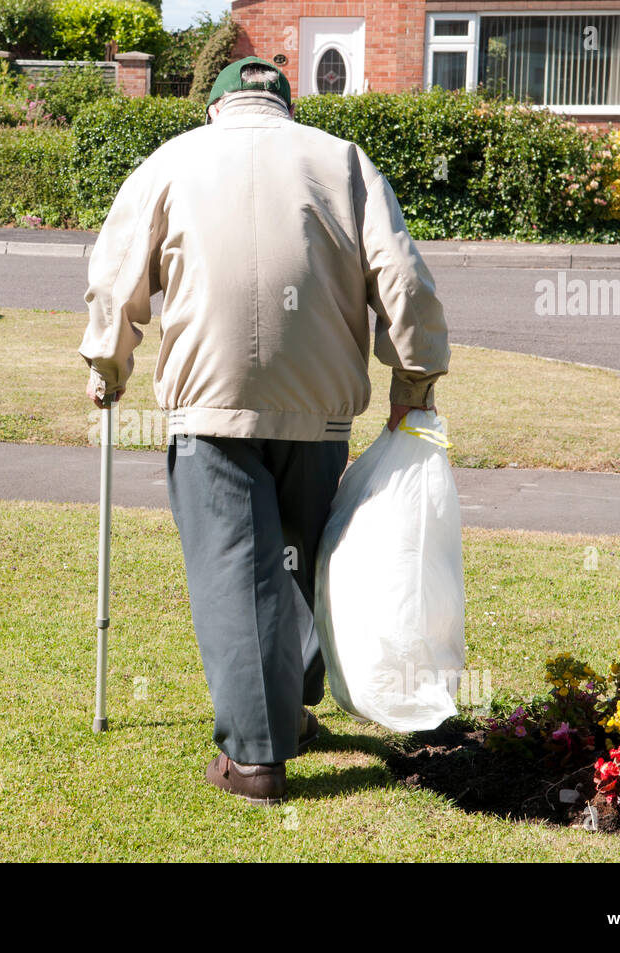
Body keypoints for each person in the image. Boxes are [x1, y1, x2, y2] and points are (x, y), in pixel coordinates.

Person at [78, 57, 450, 805]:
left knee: (234, 569)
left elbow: (117, 279)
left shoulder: (171, 162)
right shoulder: (343, 161)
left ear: (215, 107)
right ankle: (289, 710)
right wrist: (414, 381)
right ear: (285, 106)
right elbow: (402, 279)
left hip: (210, 400)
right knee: (297, 561)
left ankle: (254, 757)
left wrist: (108, 366)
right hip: (316, 405)